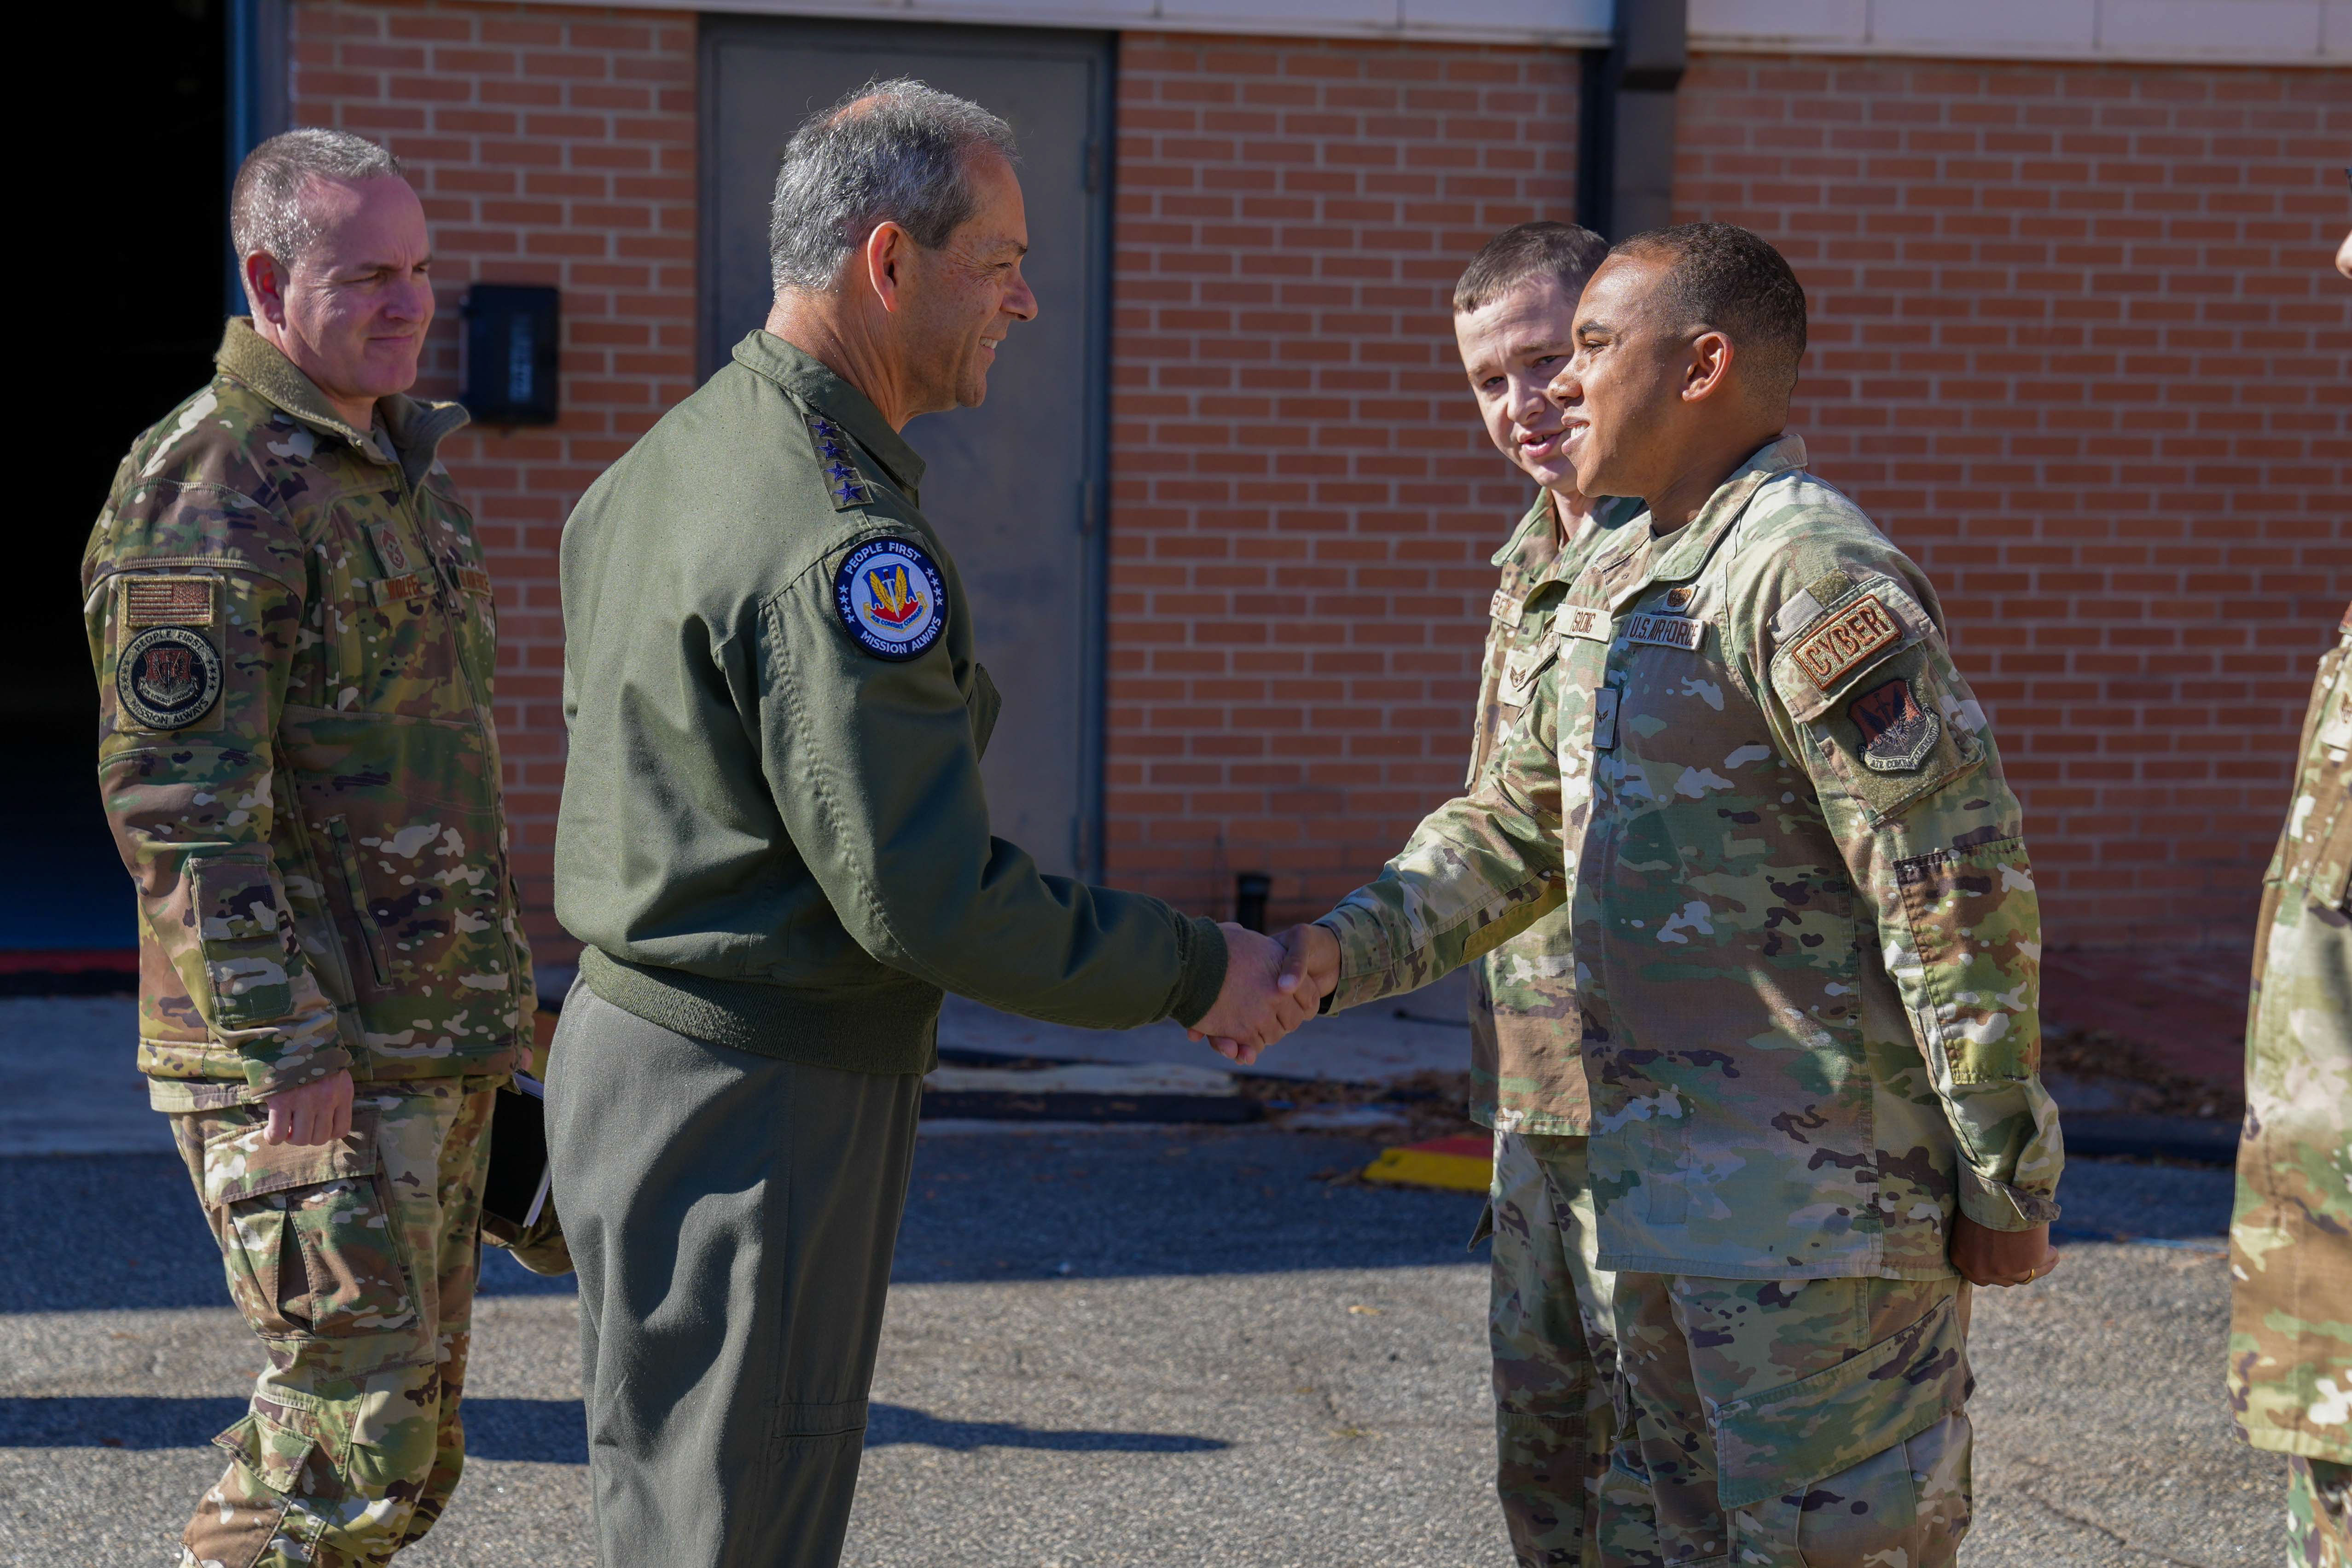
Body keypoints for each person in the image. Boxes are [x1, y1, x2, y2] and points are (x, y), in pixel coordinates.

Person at [547, 80, 1311, 1568]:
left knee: (670, 1488)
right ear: (887, 264)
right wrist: (1191, 968)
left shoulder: (674, 459)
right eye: (1001, 262)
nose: (1026, 303)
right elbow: (925, 898)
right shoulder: (844, 542)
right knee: (736, 1518)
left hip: (643, 1056)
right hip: (754, 1095)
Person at [1277, 223, 2064, 1566]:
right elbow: (1520, 824)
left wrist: (2005, 1172)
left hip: (1816, 1226)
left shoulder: (1807, 572)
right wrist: (1317, 960)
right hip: (1665, 1207)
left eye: (1589, 348)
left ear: (1702, 367)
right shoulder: (1628, 572)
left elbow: (1949, 889)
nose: (1559, 389)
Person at [80, 128, 534, 1568]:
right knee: (346, 1440)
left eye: (420, 271)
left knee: (407, 1450)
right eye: (368, 276)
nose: (410, 304)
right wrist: (287, 1044)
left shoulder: (393, 469)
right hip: (305, 1060)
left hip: (427, 1043)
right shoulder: (210, 486)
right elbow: (175, 798)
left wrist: (501, 1018)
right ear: (270, 279)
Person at [1445, 220, 1643, 1566]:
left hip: (1670, 1122)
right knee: (1548, 1468)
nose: (1525, 404)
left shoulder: (1714, 559)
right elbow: (1507, 829)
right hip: (1533, 1098)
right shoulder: (1529, 567)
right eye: (1487, 380)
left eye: (1551, 359)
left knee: (1670, 1486)